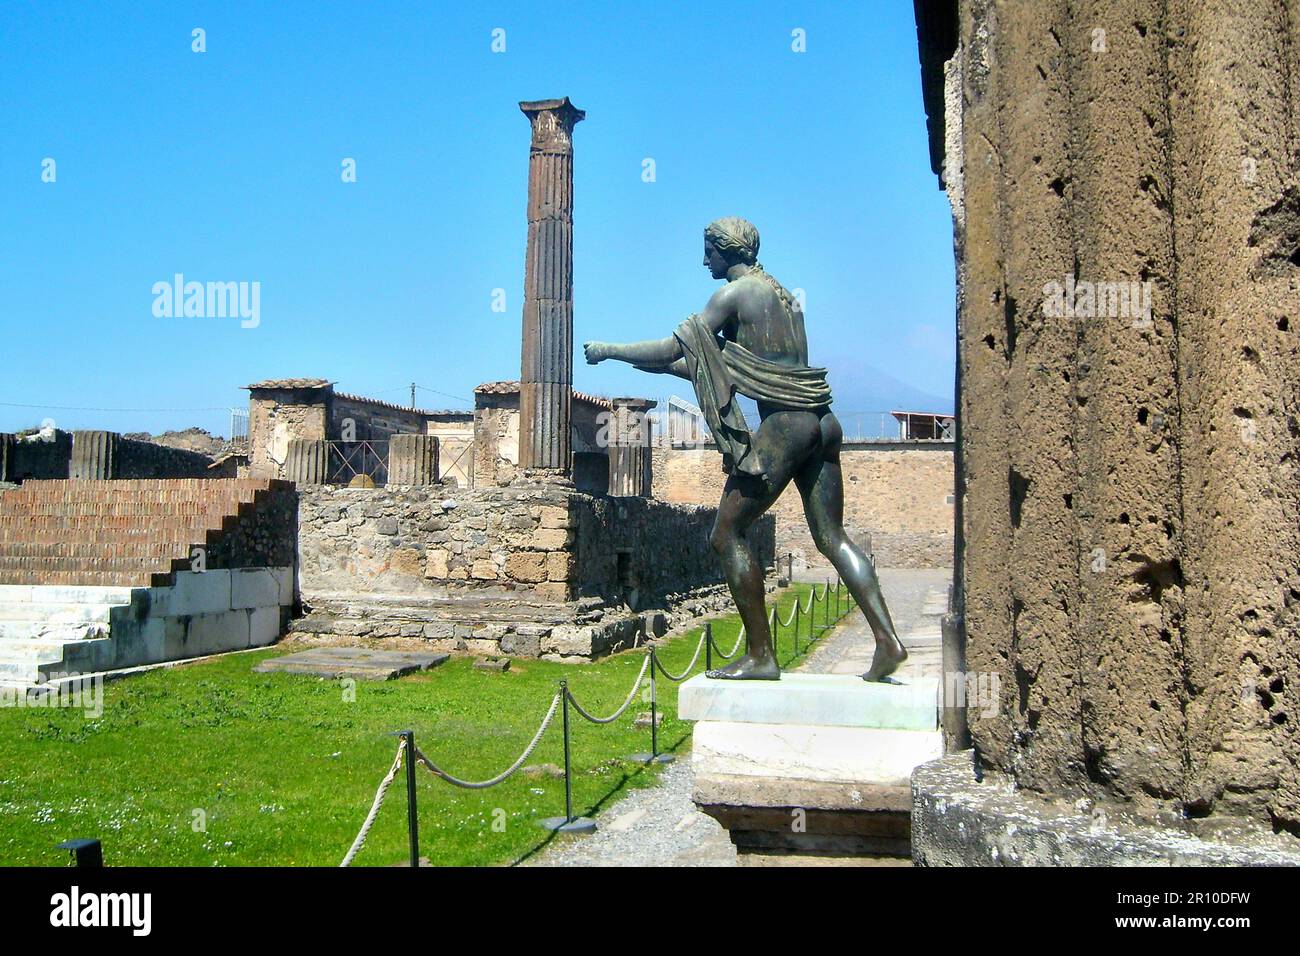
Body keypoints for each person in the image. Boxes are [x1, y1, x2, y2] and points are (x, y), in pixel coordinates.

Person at [583, 217, 907, 680]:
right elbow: (708, 365)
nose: (703, 260)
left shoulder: (732, 296)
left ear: (726, 249)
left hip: (786, 428)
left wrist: (611, 350)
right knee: (832, 538)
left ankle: (761, 656)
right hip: (823, 421)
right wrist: (650, 368)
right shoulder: (785, 298)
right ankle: (887, 639)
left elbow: (669, 348)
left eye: (708, 251)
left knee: (725, 535)